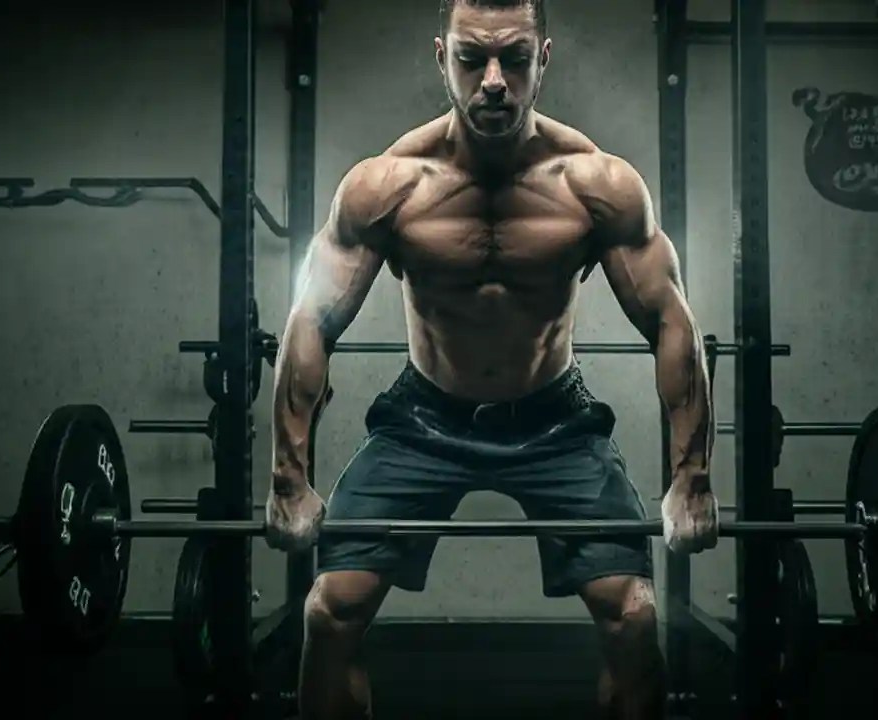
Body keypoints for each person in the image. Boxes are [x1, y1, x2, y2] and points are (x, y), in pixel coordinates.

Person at [264, 1, 718, 717]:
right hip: (422, 419)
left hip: (555, 423)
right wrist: (290, 476)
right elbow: (311, 319)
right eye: (474, 58)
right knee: (328, 614)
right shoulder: (387, 187)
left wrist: (691, 478)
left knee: (634, 616)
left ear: (545, 58)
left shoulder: (597, 187)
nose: (495, 80)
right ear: (442, 56)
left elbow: (671, 321)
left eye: (515, 57)